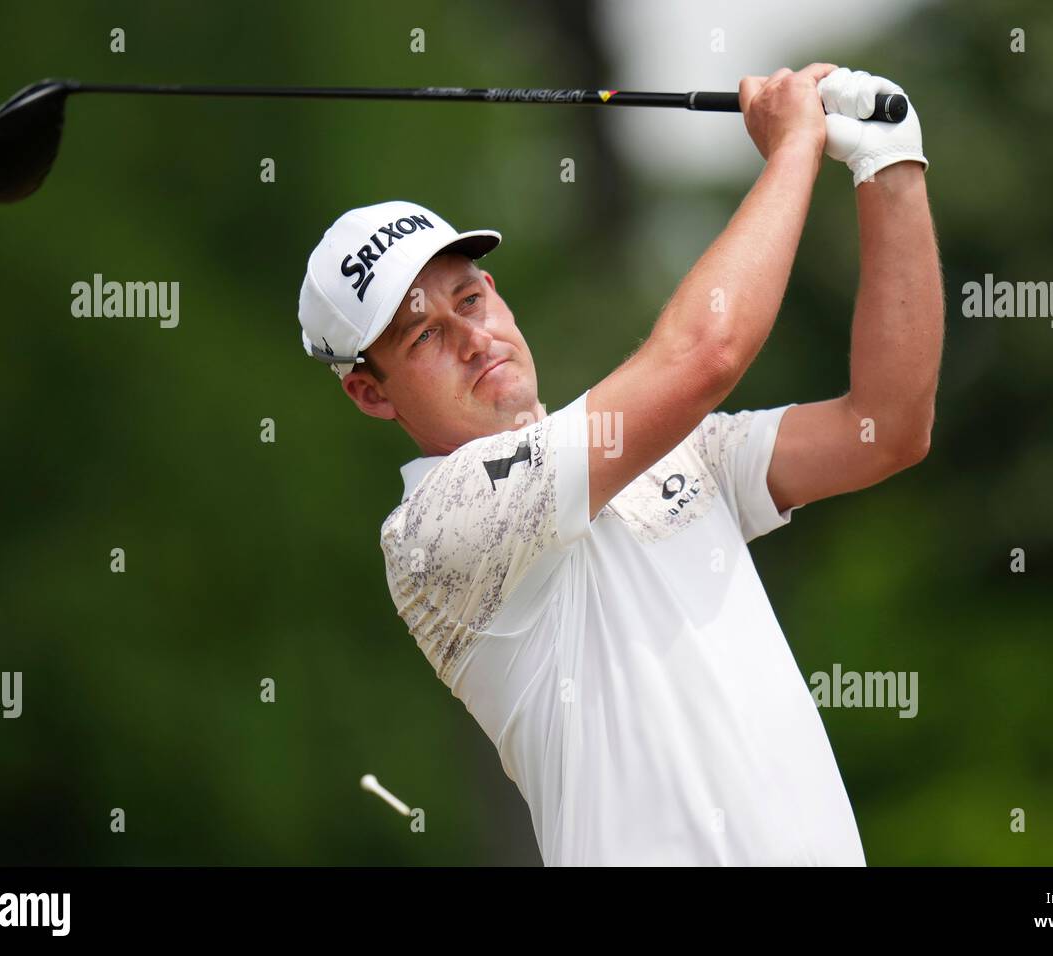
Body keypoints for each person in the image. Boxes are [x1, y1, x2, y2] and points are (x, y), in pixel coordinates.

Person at [296, 65, 944, 865]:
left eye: (469, 300)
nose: (472, 337)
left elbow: (885, 430)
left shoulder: (671, 453)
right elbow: (707, 352)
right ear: (369, 392)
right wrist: (793, 149)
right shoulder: (434, 535)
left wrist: (892, 168)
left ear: (496, 293)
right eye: (421, 335)